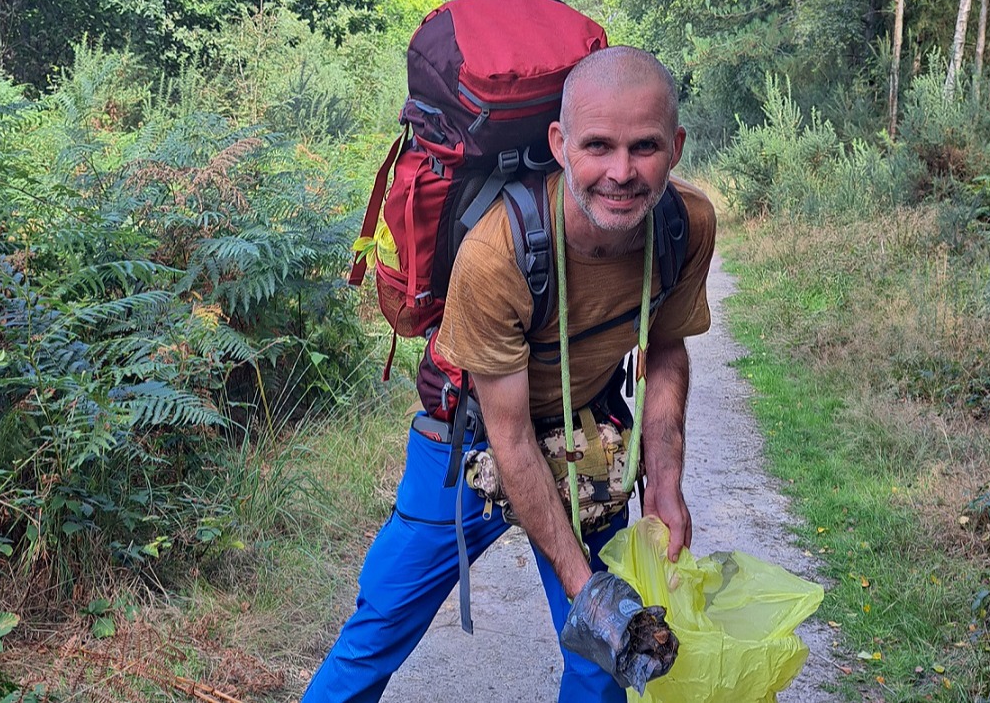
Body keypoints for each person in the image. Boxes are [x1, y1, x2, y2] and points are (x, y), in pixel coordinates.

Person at [304, 46, 716, 703]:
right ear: (558, 142)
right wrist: (592, 593)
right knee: (377, 633)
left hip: (583, 437)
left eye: (644, 147)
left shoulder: (684, 224)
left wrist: (666, 485)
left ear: (677, 146)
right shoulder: (499, 251)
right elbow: (512, 437)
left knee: (603, 662)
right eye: (598, 146)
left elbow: (665, 348)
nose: (621, 172)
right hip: (467, 445)